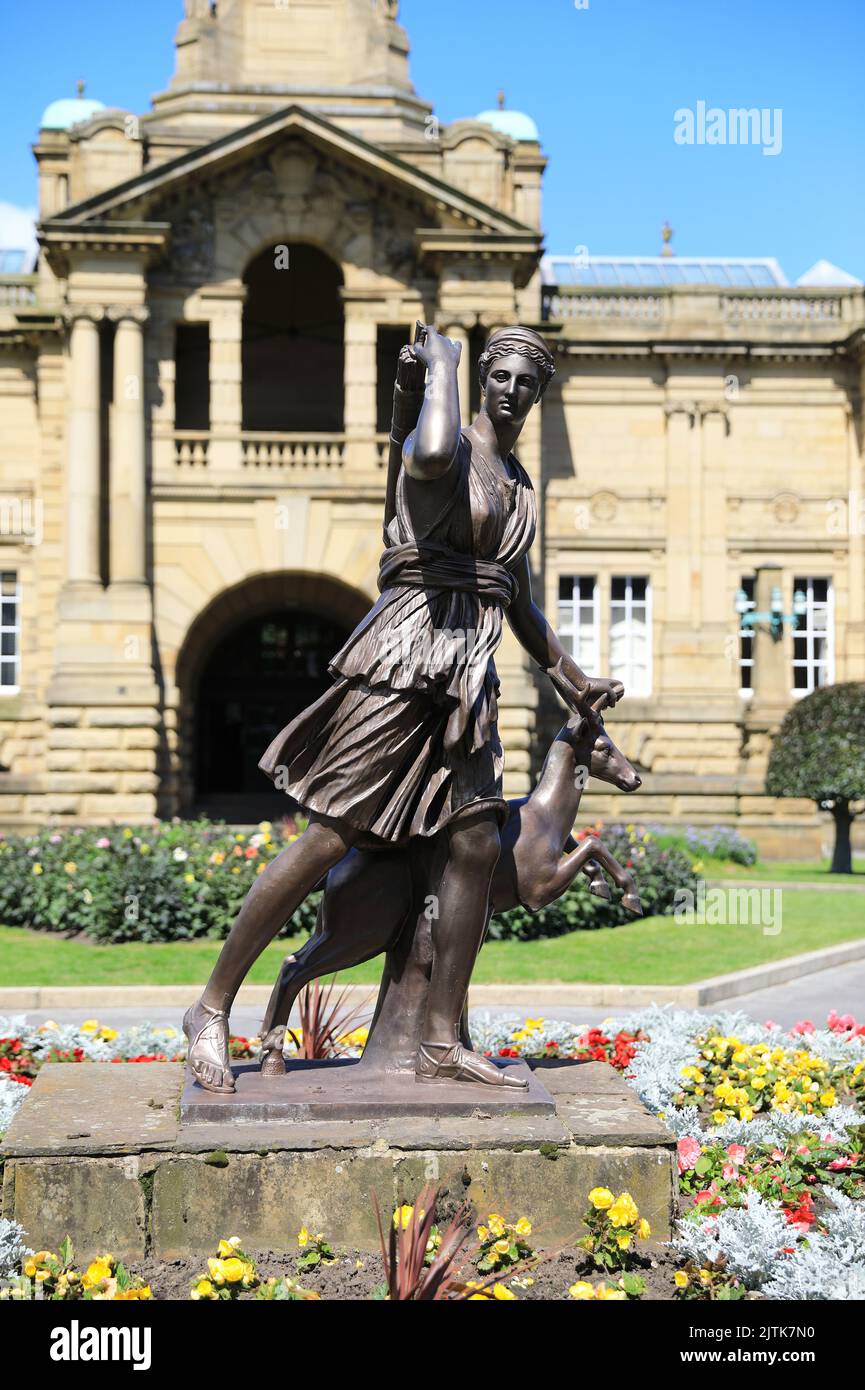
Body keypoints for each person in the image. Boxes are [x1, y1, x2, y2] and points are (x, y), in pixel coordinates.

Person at [183, 324, 624, 1092]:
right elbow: (423, 454)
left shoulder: (517, 484)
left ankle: (439, 1040)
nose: (513, 391)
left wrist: (570, 676)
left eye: (528, 381)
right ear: (479, 379)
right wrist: (440, 368)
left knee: (475, 846)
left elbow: (515, 596)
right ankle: (212, 1007)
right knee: (330, 838)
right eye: (500, 376)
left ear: (541, 393)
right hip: (404, 659)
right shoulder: (441, 448)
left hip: (467, 677)